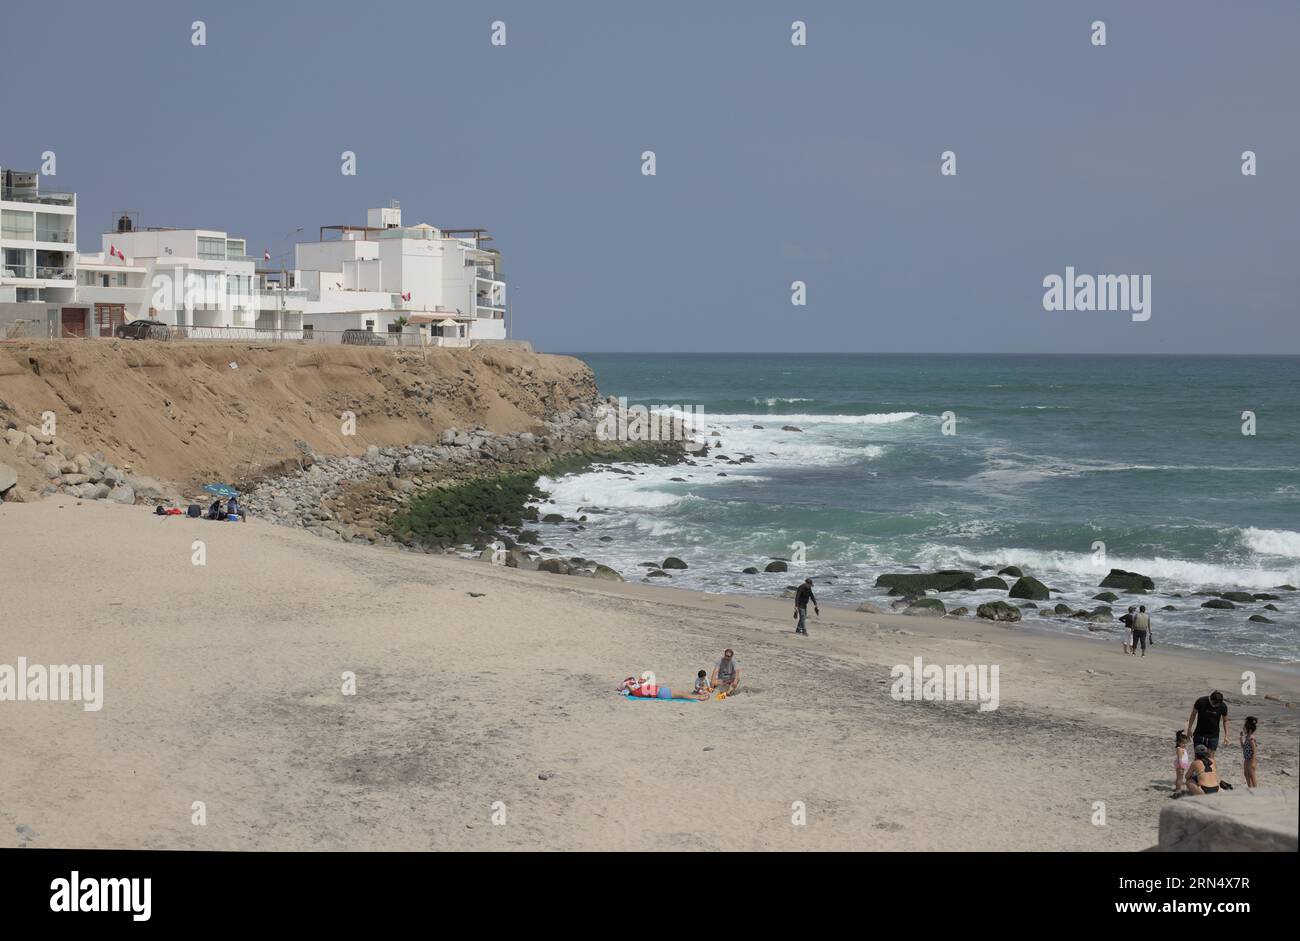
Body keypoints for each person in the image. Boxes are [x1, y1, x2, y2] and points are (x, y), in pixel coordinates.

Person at [1186, 690, 1230, 760]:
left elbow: (1225, 721)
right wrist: (1189, 729)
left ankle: (1210, 771)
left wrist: (1226, 735)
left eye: (1217, 705)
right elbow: (1193, 714)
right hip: (1199, 734)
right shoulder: (1201, 701)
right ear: (1211, 700)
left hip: (1213, 737)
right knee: (1198, 758)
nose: (1215, 706)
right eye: (1214, 704)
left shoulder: (1223, 706)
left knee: (1210, 759)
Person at [1241, 716, 1258, 788]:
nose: (1243, 729)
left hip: (1251, 759)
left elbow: (1254, 750)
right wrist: (1240, 739)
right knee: (1246, 774)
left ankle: (1256, 790)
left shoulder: (1251, 739)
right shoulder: (1247, 737)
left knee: (1252, 775)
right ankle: (1250, 788)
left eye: (1244, 728)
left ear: (1250, 730)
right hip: (1246, 759)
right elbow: (1243, 747)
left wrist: (1253, 761)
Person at [1173, 730, 1191, 795]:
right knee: (1179, 778)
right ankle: (1178, 789)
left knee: (1180, 777)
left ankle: (1178, 788)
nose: (1185, 745)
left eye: (1186, 743)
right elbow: (1179, 758)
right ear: (1178, 742)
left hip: (1182, 764)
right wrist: (1180, 765)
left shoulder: (1181, 748)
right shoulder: (1179, 749)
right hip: (1180, 765)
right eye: (1183, 743)